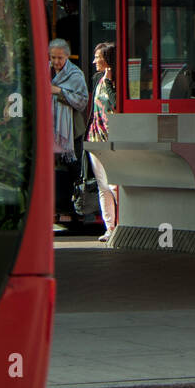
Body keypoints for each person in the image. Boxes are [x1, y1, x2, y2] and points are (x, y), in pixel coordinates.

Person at [85, 42, 117, 242]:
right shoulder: (97, 79)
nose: (94, 60)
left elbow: (115, 103)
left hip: (112, 138)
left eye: (98, 57)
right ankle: (110, 228)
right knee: (102, 185)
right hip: (95, 138)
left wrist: (110, 81)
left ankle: (123, 224)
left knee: (115, 185)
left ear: (108, 59)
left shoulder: (114, 81)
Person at [49, 38, 88, 166]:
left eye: (60, 58)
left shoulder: (75, 75)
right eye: (53, 57)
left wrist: (59, 92)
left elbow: (82, 101)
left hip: (72, 133)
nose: (56, 61)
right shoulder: (44, 71)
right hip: (49, 130)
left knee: (73, 170)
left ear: (67, 56)